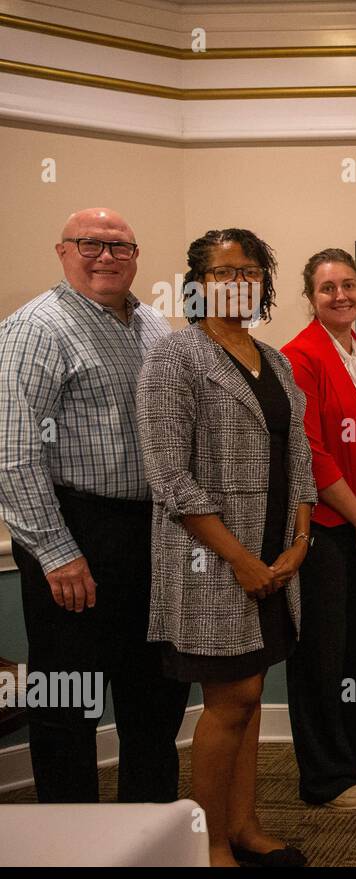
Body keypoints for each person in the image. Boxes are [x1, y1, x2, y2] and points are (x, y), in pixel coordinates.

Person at [137, 227, 316, 867]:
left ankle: (244, 825)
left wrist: (298, 540)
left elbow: (299, 459)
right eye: (222, 271)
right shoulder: (175, 357)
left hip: (276, 555)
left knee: (250, 698)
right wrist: (237, 557)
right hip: (210, 558)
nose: (236, 282)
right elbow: (168, 475)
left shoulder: (279, 360)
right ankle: (208, 844)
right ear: (197, 283)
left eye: (249, 271)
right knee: (228, 702)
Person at [0, 208, 189, 804]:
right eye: (90, 244)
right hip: (75, 531)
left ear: (136, 256)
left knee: (154, 697)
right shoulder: (38, 327)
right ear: (62, 251)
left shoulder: (154, 326)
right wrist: (56, 553)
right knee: (69, 702)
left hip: (151, 535)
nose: (106, 256)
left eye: (120, 247)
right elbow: (11, 449)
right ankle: (71, 847)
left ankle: (148, 833)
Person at [281, 249, 356, 811]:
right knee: (321, 655)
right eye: (328, 288)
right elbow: (311, 451)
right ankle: (322, 777)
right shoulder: (298, 358)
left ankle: (352, 759)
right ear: (311, 297)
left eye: (348, 285)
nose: (340, 296)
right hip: (326, 528)